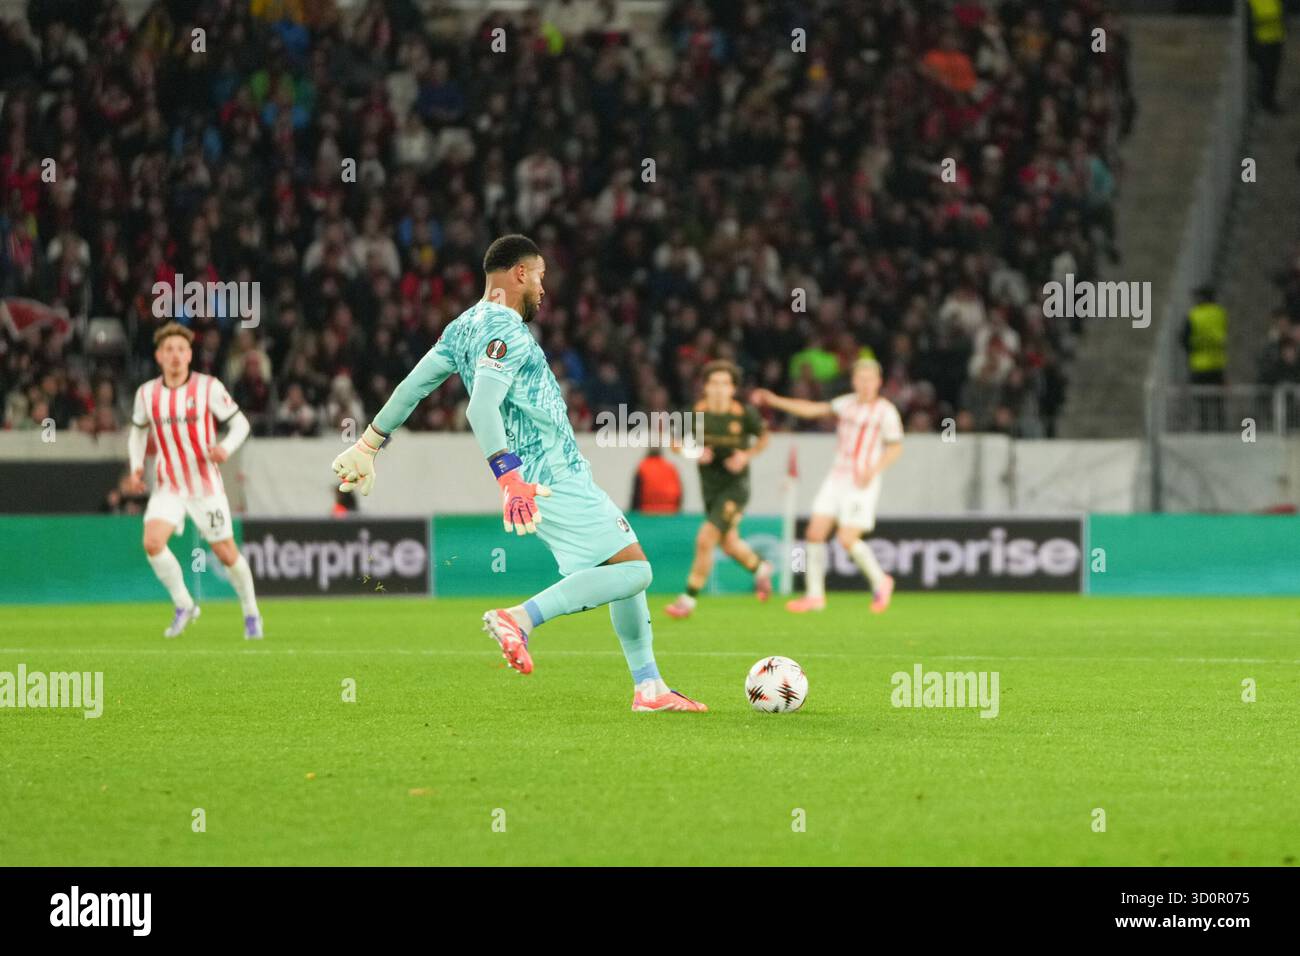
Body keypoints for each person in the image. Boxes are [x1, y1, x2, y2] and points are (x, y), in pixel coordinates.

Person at [331, 234, 706, 712]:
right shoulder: (505, 326)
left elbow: (412, 387)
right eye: (542, 276)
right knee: (636, 570)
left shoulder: (461, 327)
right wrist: (508, 478)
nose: (545, 289)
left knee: (620, 564)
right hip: (546, 475)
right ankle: (520, 619)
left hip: (550, 475)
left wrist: (368, 444)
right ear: (520, 275)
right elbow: (480, 407)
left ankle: (650, 687)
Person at [126, 322, 263, 639]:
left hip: (205, 486)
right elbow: (137, 430)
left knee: (227, 554)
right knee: (152, 542)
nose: (175, 355)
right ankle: (184, 604)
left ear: (189, 355)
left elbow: (240, 424)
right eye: (169, 350)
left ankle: (251, 612)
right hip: (169, 485)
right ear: (159, 356)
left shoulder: (208, 387)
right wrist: (136, 467)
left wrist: (225, 448)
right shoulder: (146, 394)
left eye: (181, 349)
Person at [752, 358, 903, 614]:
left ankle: (881, 581)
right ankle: (815, 596)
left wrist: (873, 471)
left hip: (861, 480)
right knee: (814, 534)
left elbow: (896, 446)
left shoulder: (885, 411)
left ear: (879, 382)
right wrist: (775, 400)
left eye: (870, 379)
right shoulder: (845, 404)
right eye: (861, 378)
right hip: (837, 477)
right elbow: (811, 410)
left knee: (846, 538)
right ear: (854, 381)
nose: (865, 384)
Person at [664, 359, 773, 619]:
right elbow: (675, 444)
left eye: (725, 384)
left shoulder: (744, 413)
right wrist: (695, 453)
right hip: (710, 488)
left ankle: (687, 599)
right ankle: (761, 568)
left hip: (736, 487)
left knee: (706, 538)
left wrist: (746, 455)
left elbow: (764, 437)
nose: (719, 389)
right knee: (730, 543)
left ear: (733, 388)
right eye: (714, 383)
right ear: (705, 387)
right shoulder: (695, 413)